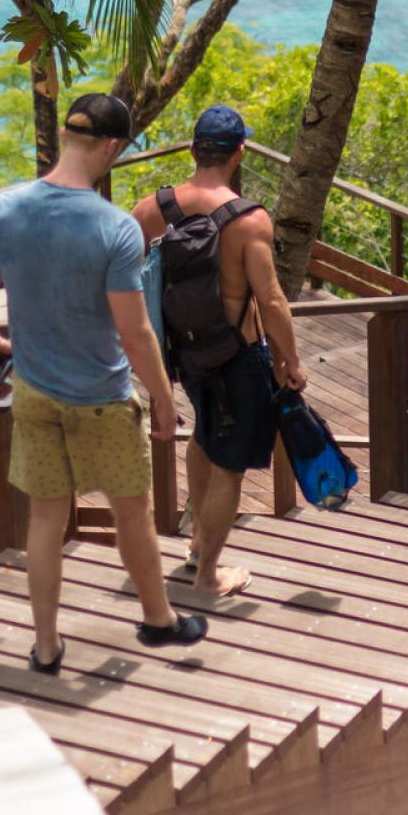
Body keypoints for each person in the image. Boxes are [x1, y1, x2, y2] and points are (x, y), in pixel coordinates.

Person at [0, 93, 208, 673]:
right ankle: (158, 619)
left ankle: (47, 646)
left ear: (66, 136)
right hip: (102, 397)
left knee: (47, 519)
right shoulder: (113, 228)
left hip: (34, 391)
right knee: (132, 513)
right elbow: (134, 332)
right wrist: (163, 398)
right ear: (111, 147)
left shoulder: (3, 211)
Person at [131, 105, 307, 597]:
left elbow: (124, 279)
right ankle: (208, 573)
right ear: (239, 154)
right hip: (237, 356)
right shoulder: (249, 220)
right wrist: (290, 361)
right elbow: (271, 300)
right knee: (229, 464)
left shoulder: (150, 210)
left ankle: (196, 547)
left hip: (185, 355)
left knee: (207, 435)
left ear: (193, 150)